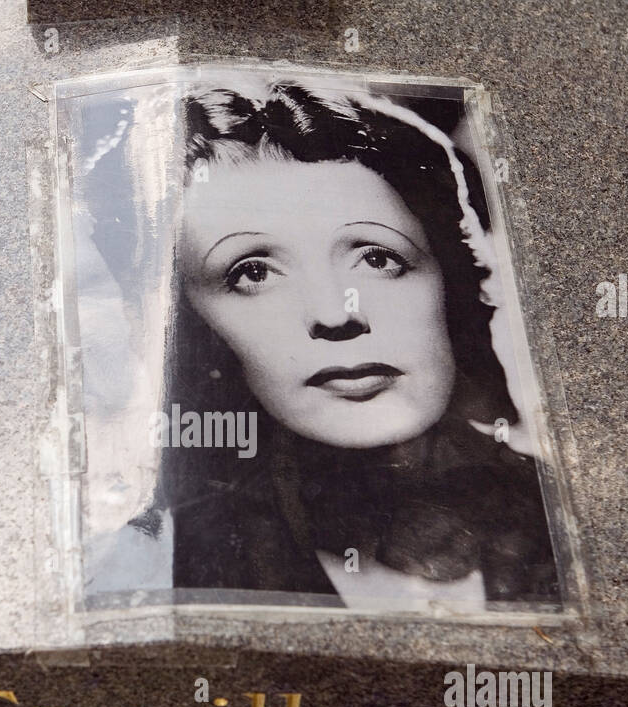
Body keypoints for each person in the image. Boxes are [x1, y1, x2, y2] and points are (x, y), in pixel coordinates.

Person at [92, 77, 561, 609]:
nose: (336, 313)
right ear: (186, 324)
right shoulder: (150, 575)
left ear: (450, 280)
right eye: (252, 272)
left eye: (378, 258)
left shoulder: (574, 520)